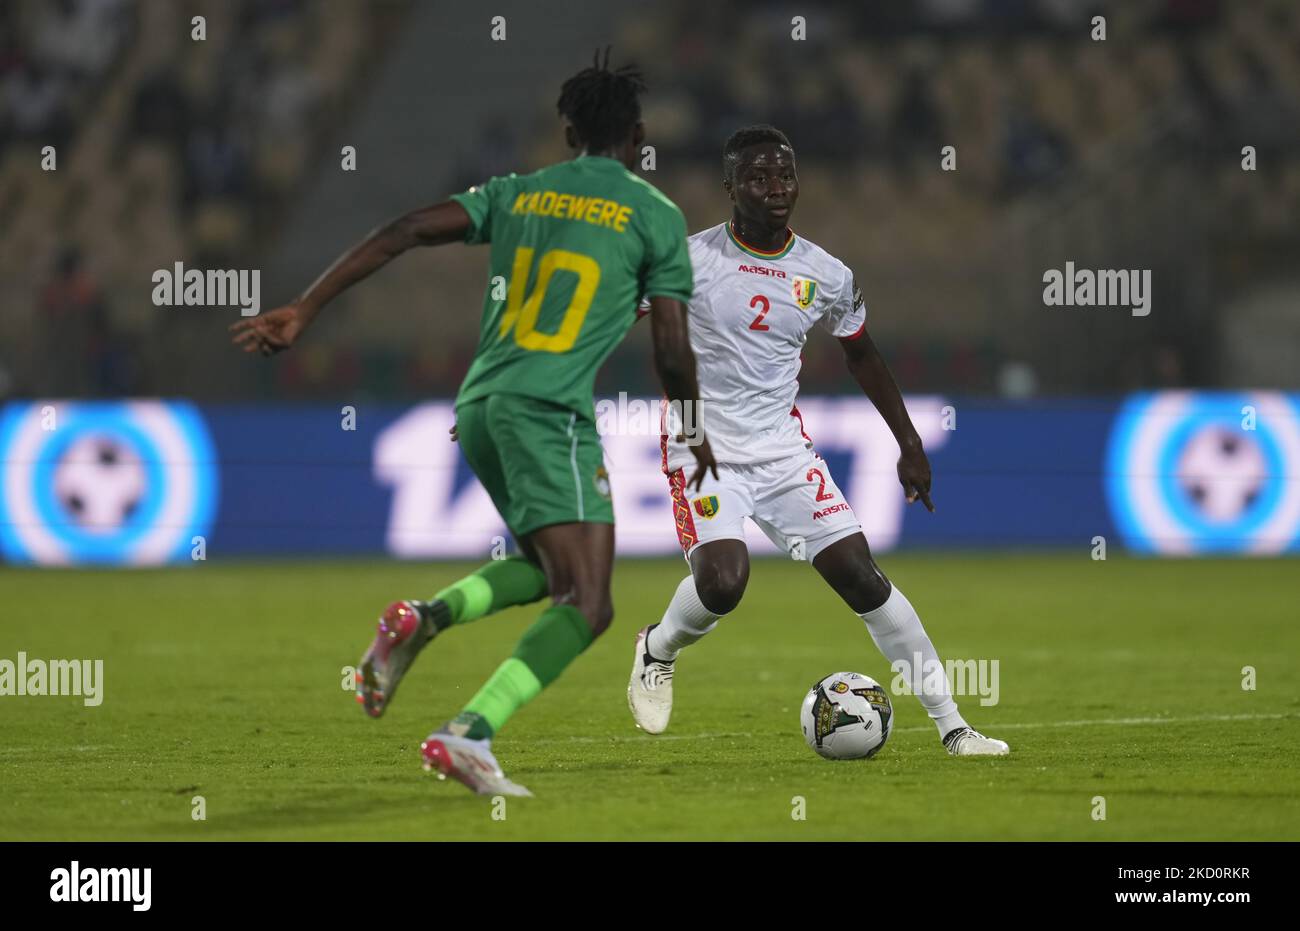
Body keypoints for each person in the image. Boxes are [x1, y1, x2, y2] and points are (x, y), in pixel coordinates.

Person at [231, 53, 718, 795]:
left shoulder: (519, 192)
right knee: (588, 603)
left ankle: (421, 618)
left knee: (545, 566)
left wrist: (305, 308)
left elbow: (404, 230)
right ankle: (467, 733)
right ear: (639, 135)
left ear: (567, 134)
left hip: (480, 405)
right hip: (548, 411)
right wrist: (690, 427)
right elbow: (673, 350)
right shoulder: (654, 214)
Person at [625, 125, 1008, 757]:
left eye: (784, 175)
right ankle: (658, 648)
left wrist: (909, 444)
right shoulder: (685, 260)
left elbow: (863, 356)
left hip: (782, 452)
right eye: (758, 176)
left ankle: (954, 728)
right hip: (702, 447)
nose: (775, 189)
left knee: (863, 578)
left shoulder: (825, 273)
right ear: (729, 188)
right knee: (723, 583)